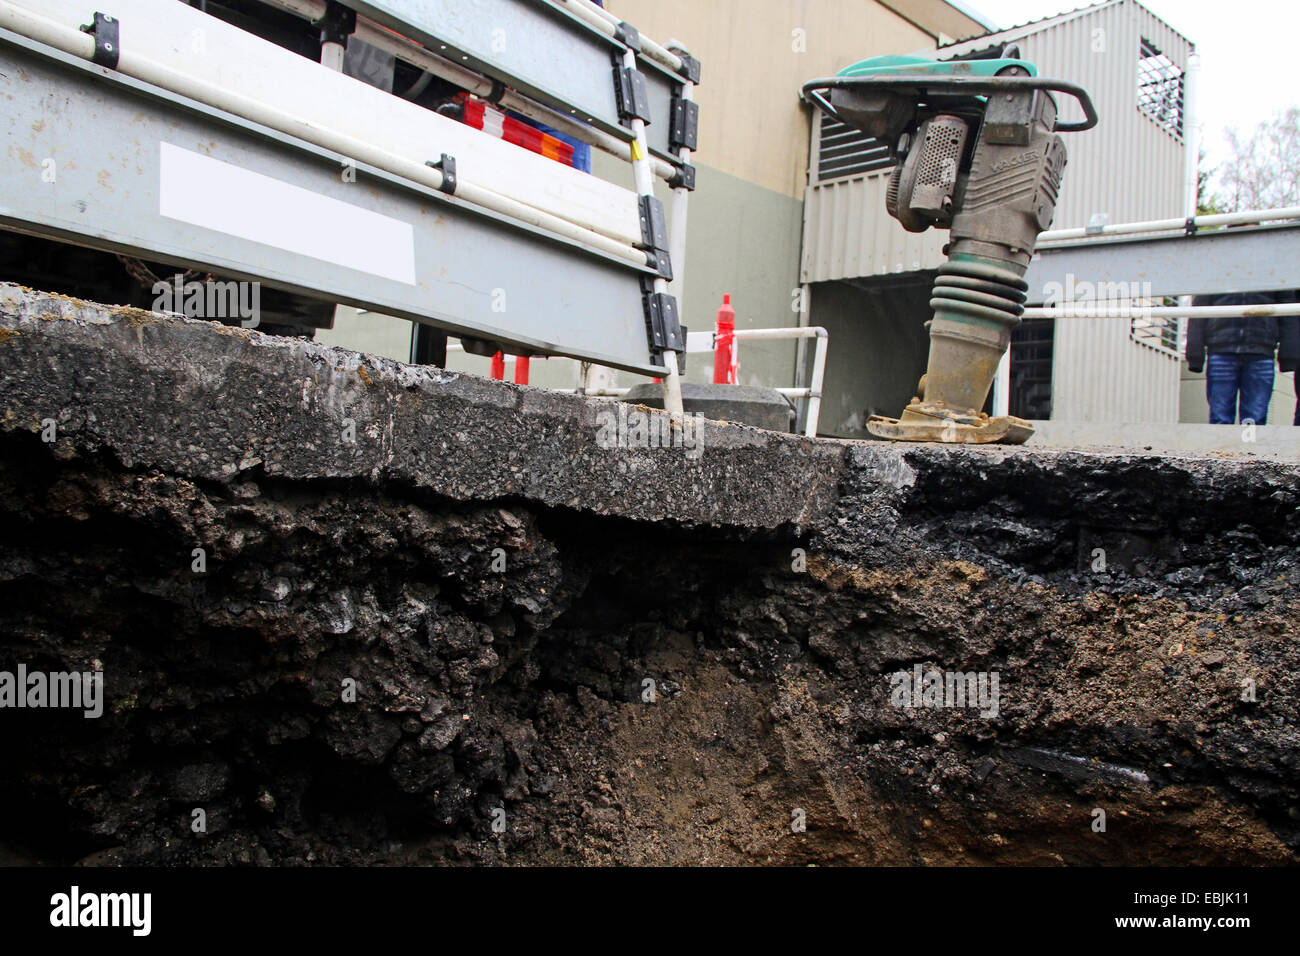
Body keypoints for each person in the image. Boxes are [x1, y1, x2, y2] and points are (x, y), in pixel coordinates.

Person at [1185, 291, 1299, 425]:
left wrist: (1290, 353)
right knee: (1222, 418)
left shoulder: (1271, 274)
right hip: (1224, 351)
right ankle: (1224, 446)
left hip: (1259, 351)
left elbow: (1288, 313)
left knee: (1253, 419)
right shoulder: (1216, 272)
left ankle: (1248, 446)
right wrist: (1194, 353)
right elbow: (1199, 308)